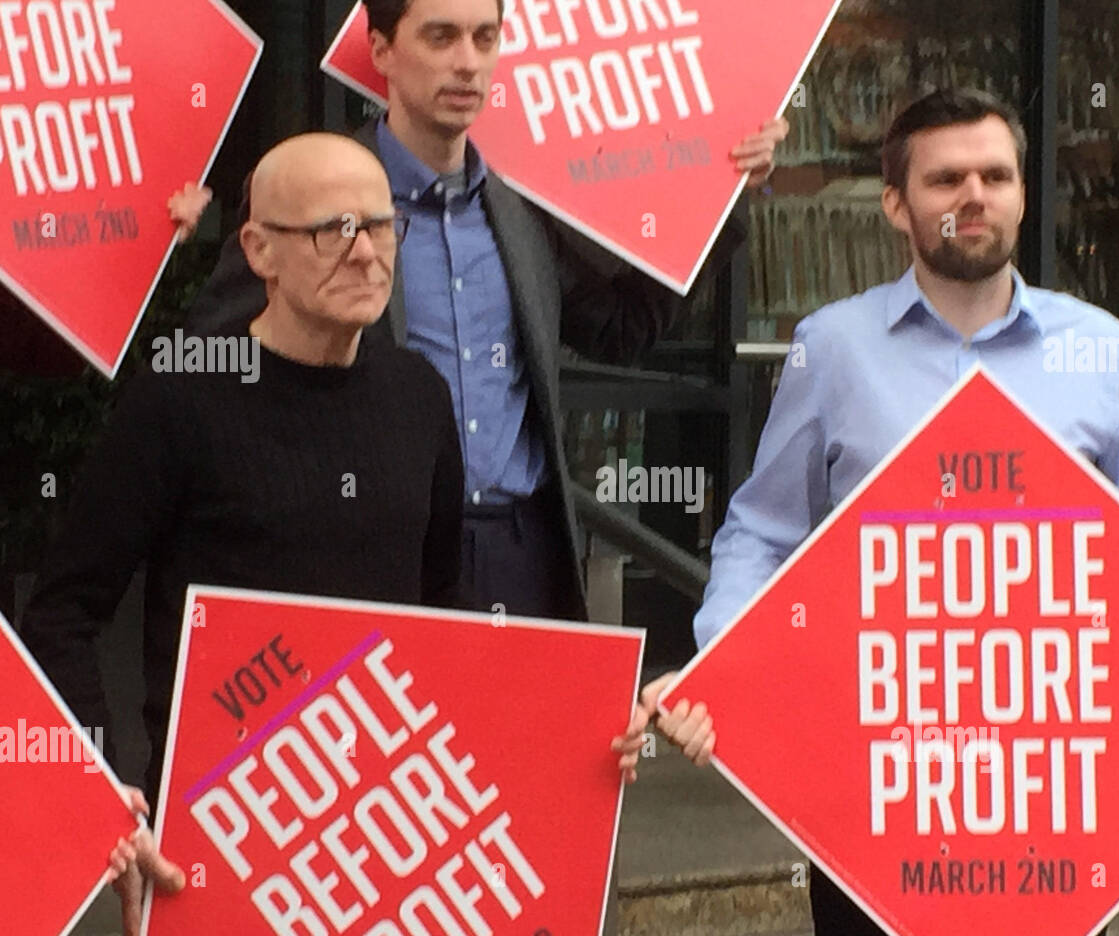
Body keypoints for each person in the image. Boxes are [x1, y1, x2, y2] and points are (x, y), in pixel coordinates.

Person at [611, 88, 1119, 936]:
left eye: (996, 175)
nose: (974, 195)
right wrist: (730, 669)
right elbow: (761, 532)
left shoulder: (1099, 346)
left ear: (1021, 194)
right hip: (877, 776)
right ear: (898, 204)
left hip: (1047, 788)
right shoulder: (834, 346)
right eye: (946, 179)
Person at [181, 0, 789, 623]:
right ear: (382, 51)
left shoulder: (525, 207)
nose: (467, 64)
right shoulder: (311, 191)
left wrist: (721, 196)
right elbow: (212, 368)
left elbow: (618, 329)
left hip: (519, 548)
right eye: (441, 38)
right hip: (368, 542)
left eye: (484, 38)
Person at [21, 133, 465, 936]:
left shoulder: (420, 398)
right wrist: (105, 794)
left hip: (393, 840)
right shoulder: (179, 399)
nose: (366, 251)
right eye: (334, 228)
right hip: (210, 837)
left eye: (381, 224)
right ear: (259, 249)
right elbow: (64, 609)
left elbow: (444, 616)